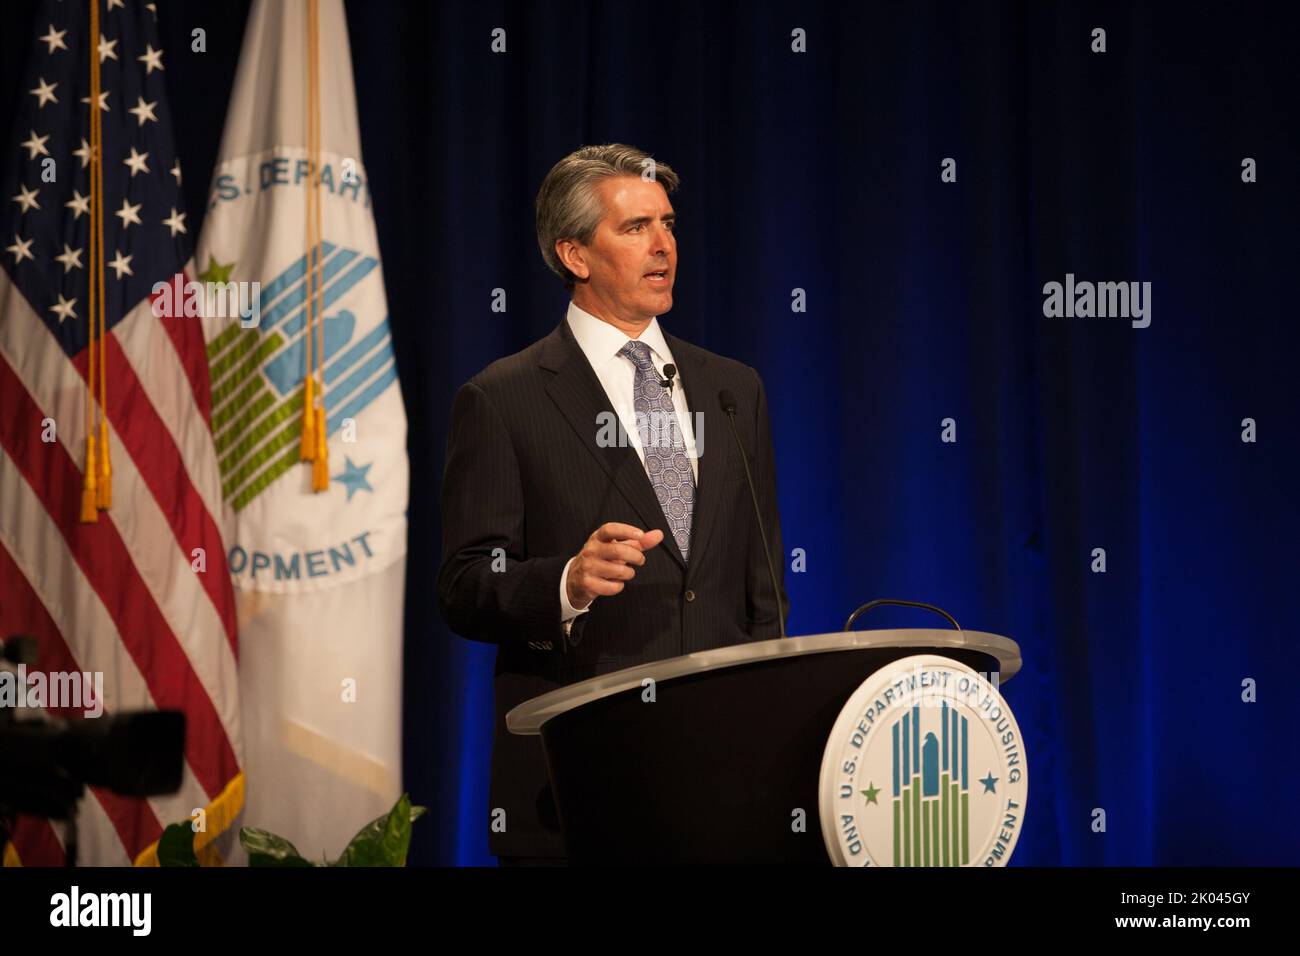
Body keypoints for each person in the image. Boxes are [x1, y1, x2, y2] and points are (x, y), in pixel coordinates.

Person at [438, 143, 788, 864]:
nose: (663, 245)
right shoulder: (502, 399)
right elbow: (465, 585)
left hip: (726, 785)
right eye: (634, 228)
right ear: (574, 254)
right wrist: (564, 581)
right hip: (582, 779)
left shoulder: (733, 388)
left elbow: (764, 588)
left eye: (667, 223)